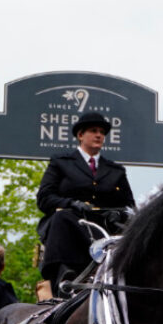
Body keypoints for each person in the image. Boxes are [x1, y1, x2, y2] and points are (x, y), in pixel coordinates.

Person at [37, 110, 135, 295]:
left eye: (102, 132)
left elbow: (130, 207)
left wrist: (117, 214)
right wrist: (71, 204)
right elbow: (44, 198)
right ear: (80, 135)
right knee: (61, 217)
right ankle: (64, 275)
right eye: (94, 131)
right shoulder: (61, 163)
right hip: (71, 226)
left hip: (104, 229)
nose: (99, 135)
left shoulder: (116, 171)